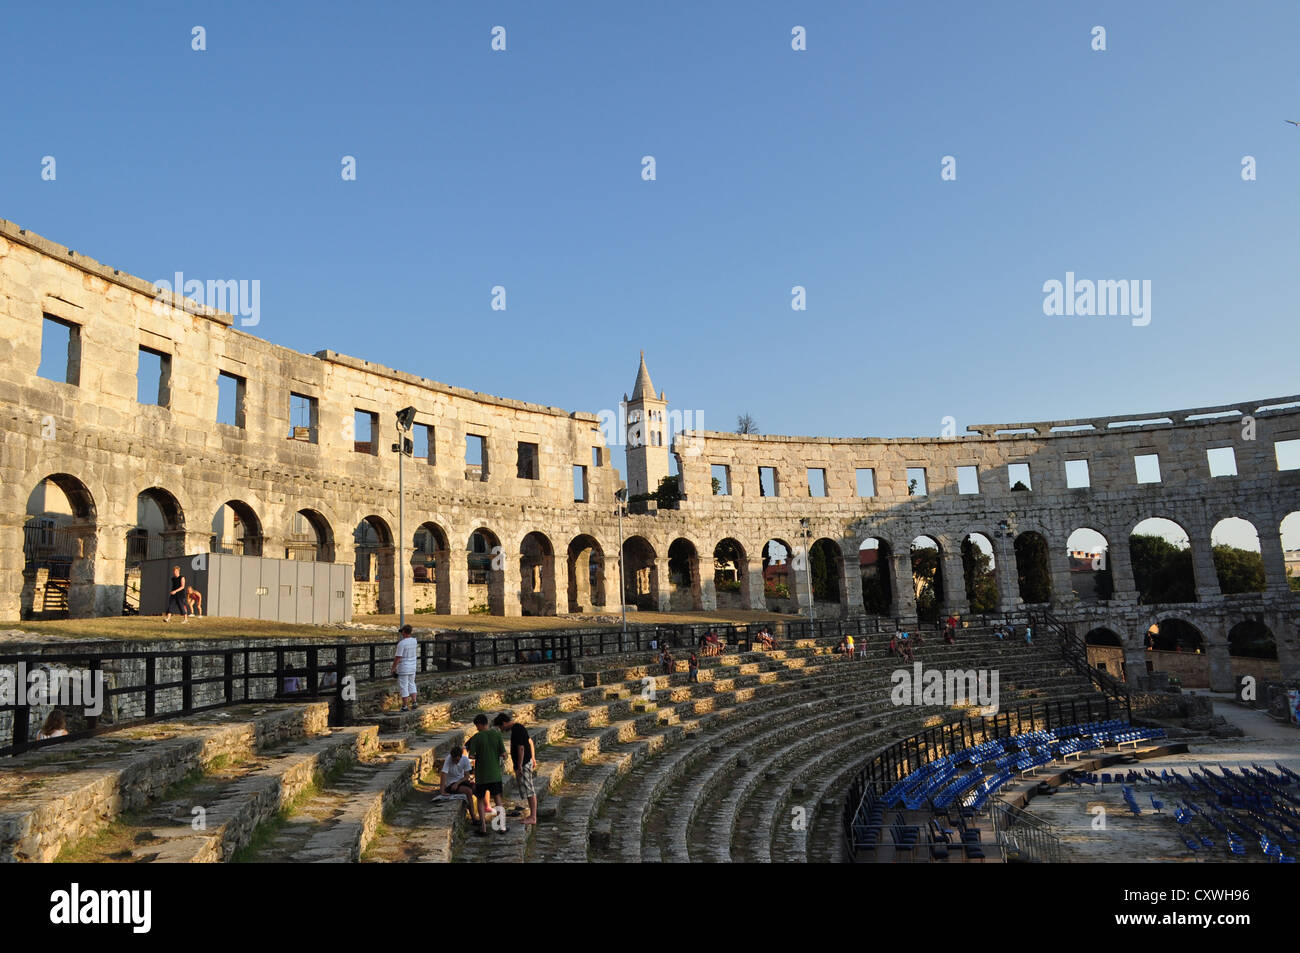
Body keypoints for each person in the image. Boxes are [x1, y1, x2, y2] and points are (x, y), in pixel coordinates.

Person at [466, 713, 507, 836]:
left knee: (480, 799)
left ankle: (483, 827)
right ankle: (502, 826)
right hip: (494, 773)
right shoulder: (497, 735)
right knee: (498, 799)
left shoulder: (477, 737)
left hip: (482, 774)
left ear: (479, 724)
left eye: (476, 726)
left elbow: (471, 756)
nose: (477, 728)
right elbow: (504, 754)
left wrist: (480, 755)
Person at [495, 711, 538, 826]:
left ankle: (533, 817)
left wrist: (519, 765)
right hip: (526, 762)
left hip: (524, 764)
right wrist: (533, 757)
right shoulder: (518, 727)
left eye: (501, 726)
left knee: (529, 790)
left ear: (504, 722)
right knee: (528, 789)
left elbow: (521, 748)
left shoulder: (517, 730)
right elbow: (529, 741)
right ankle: (532, 816)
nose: (502, 729)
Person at [441, 738, 477, 821]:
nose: (455, 762)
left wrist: (457, 783)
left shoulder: (464, 759)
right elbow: (443, 774)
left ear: (460, 757)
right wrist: (442, 791)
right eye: (454, 760)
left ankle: (479, 810)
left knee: (476, 788)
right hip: (451, 783)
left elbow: (467, 776)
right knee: (468, 791)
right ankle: (473, 817)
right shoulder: (448, 759)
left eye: (457, 760)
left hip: (460, 781)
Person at [389, 624, 418, 712]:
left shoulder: (401, 644)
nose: (401, 633)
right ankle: (414, 702)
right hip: (413, 666)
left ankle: (405, 706)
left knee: (403, 686)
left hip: (404, 667)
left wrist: (393, 668)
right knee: (412, 684)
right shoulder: (414, 641)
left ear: (404, 632)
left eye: (402, 631)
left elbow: (398, 657)